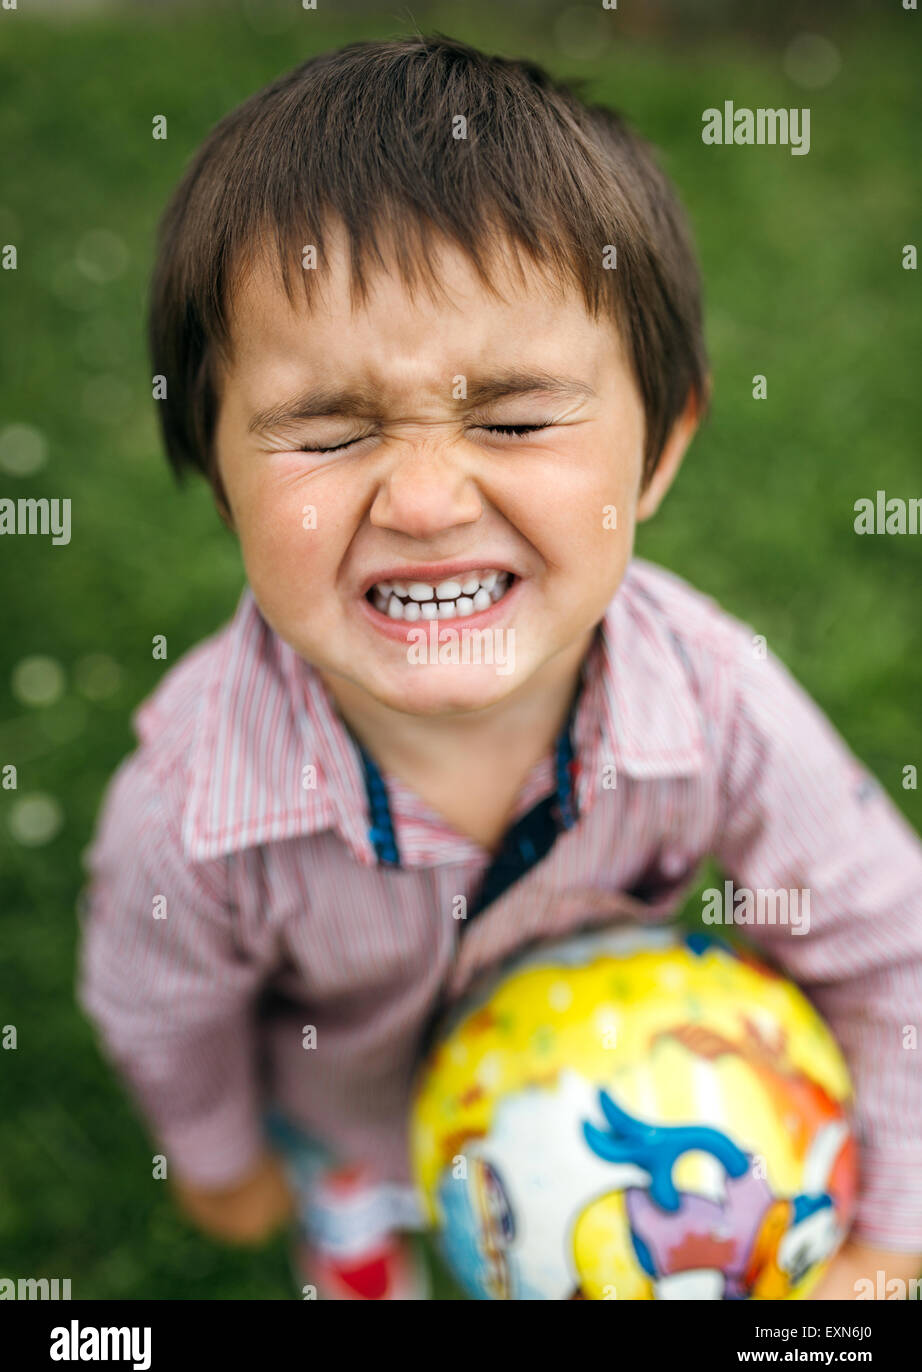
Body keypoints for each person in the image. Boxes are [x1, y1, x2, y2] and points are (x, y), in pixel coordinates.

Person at [77, 36, 922, 1300]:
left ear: (661, 448)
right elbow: (158, 1008)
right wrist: (217, 1159)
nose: (424, 501)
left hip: (604, 1124)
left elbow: (888, 944)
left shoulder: (716, 696)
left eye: (515, 419)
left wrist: (894, 1232)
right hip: (348, 1131)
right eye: (329, 431)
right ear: (218, 474)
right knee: (355, 1240)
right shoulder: (188, 803)